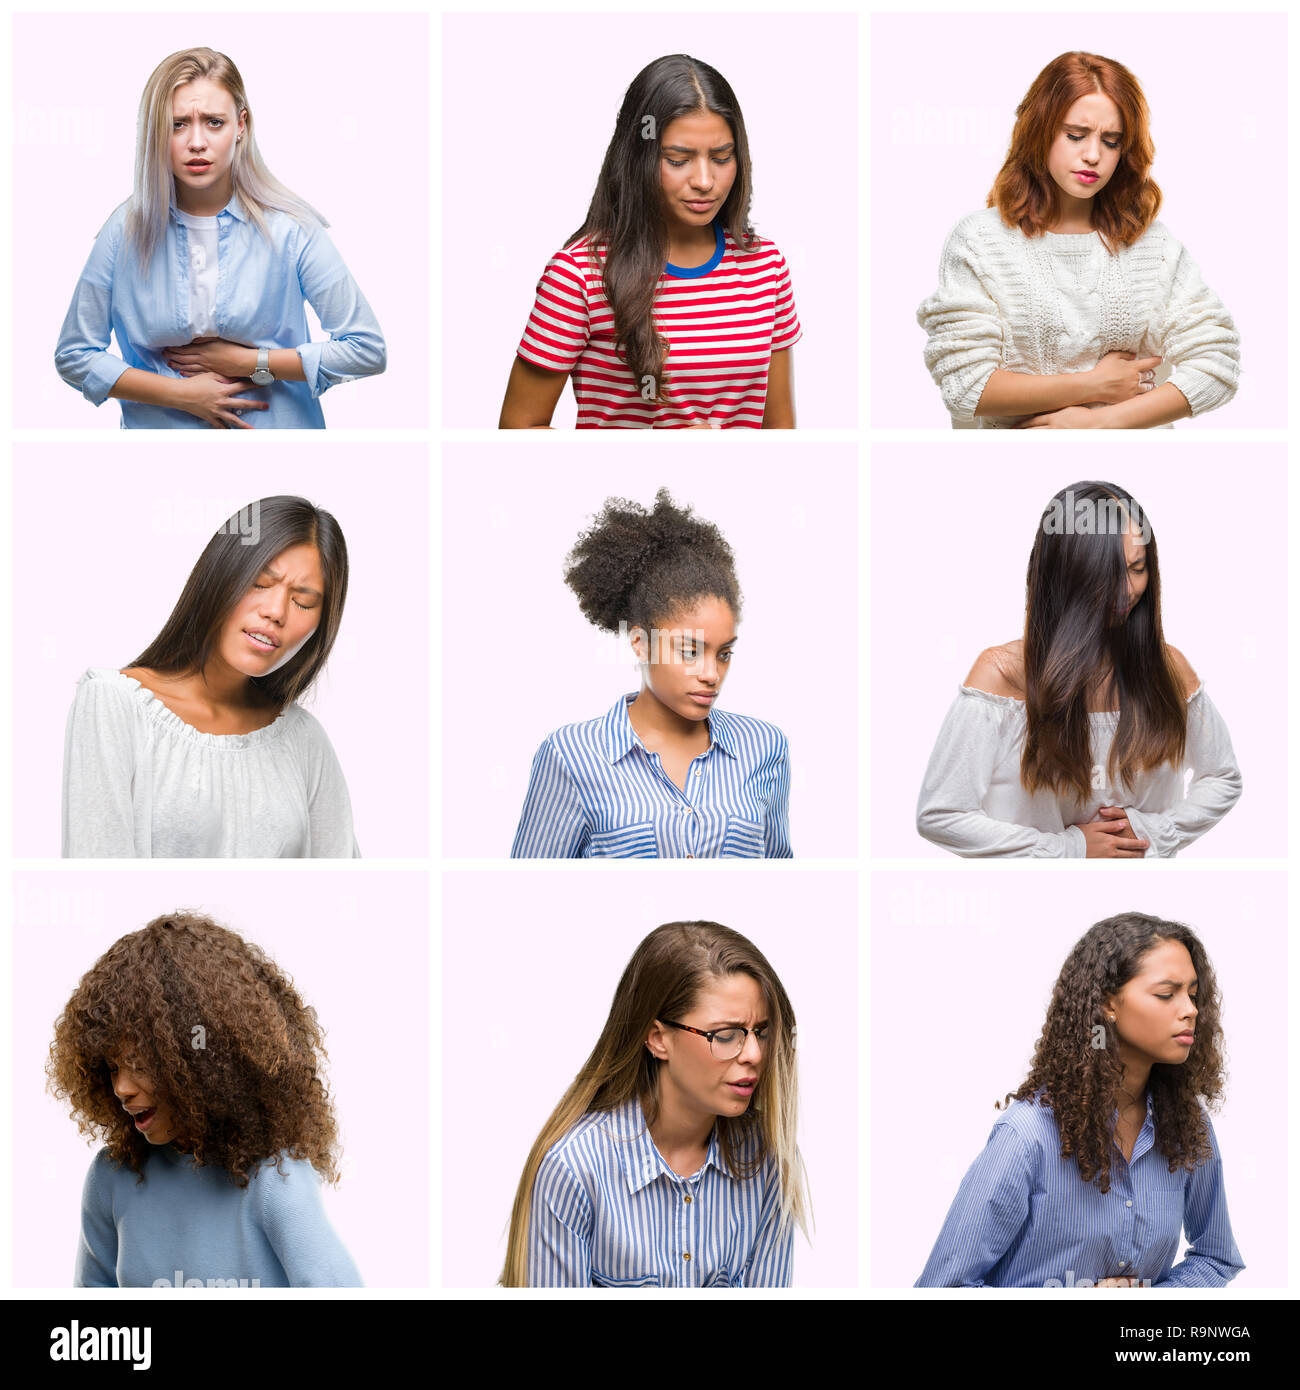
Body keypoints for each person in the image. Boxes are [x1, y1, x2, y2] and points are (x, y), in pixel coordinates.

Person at [55, 47, 385, 429]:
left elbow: (366, 350)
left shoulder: (292, 229)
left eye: (214, 122)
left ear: (241, 125)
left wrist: (252, 363)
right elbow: (74, 354)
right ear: (154, 131)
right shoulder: (124, 231)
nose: (197, 142)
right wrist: (181, 395)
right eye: (177, 124)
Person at [916, 912, 1244, 1287]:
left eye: (1193, 994)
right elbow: (940, 1288)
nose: (1190, 1010)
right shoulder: (1027, 1136)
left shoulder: (1187, 1124)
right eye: (1166, 994)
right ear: (1109, 1005)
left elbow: (1216, 1257)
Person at [916, 481, 1241, 857]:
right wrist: (1070, 849)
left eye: (1138, 568)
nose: (1127, 589)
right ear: (1066, 575)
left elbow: (1222, 777)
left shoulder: (1169, 668)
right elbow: (941, 814)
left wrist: (1154, 832)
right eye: (1108, 574)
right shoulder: (1002, 675)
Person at [917, 51, 1238, 429]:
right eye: (1075, 135)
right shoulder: (981, 240)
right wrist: (1094, 385)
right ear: (1040, 131)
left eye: (1112, 141)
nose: (1092, 155)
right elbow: (965, 385)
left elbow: (1217, 365)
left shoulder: (1151, 246)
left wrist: (1098, 424)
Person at [48, 911, 362, 1287]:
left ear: (200, 1064)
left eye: (140, 1063)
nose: (122, 1088)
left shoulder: (274, 1180)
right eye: (114, 1066)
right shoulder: (111, 1179)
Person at [500, 54, 800, 429]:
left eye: (722, 157)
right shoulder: (578, 276)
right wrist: (661, 453)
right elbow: (517, 432)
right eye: (678, 160)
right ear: (639, 156)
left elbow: (781, 435)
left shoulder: (765, 266)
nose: (705, 180)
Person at [503, 920, 807, 1287]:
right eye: (725, 1035)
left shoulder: (767, 1160)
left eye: (761, 1031)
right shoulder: (574, 1171)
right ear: (657, 1039)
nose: (755, 1054)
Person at [62, 495, 359, 857]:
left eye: (303, 602)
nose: (276, 612)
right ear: (221, 576)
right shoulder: (112, 704)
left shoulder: (304, 741)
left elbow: (339, 883)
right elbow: (99, 872)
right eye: (261, 583)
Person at [511, 489, 791, 857]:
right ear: (641, 642)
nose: (712, 674)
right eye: (690, 651)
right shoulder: (570, 754)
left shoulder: (764, 746)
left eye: (724, 653)